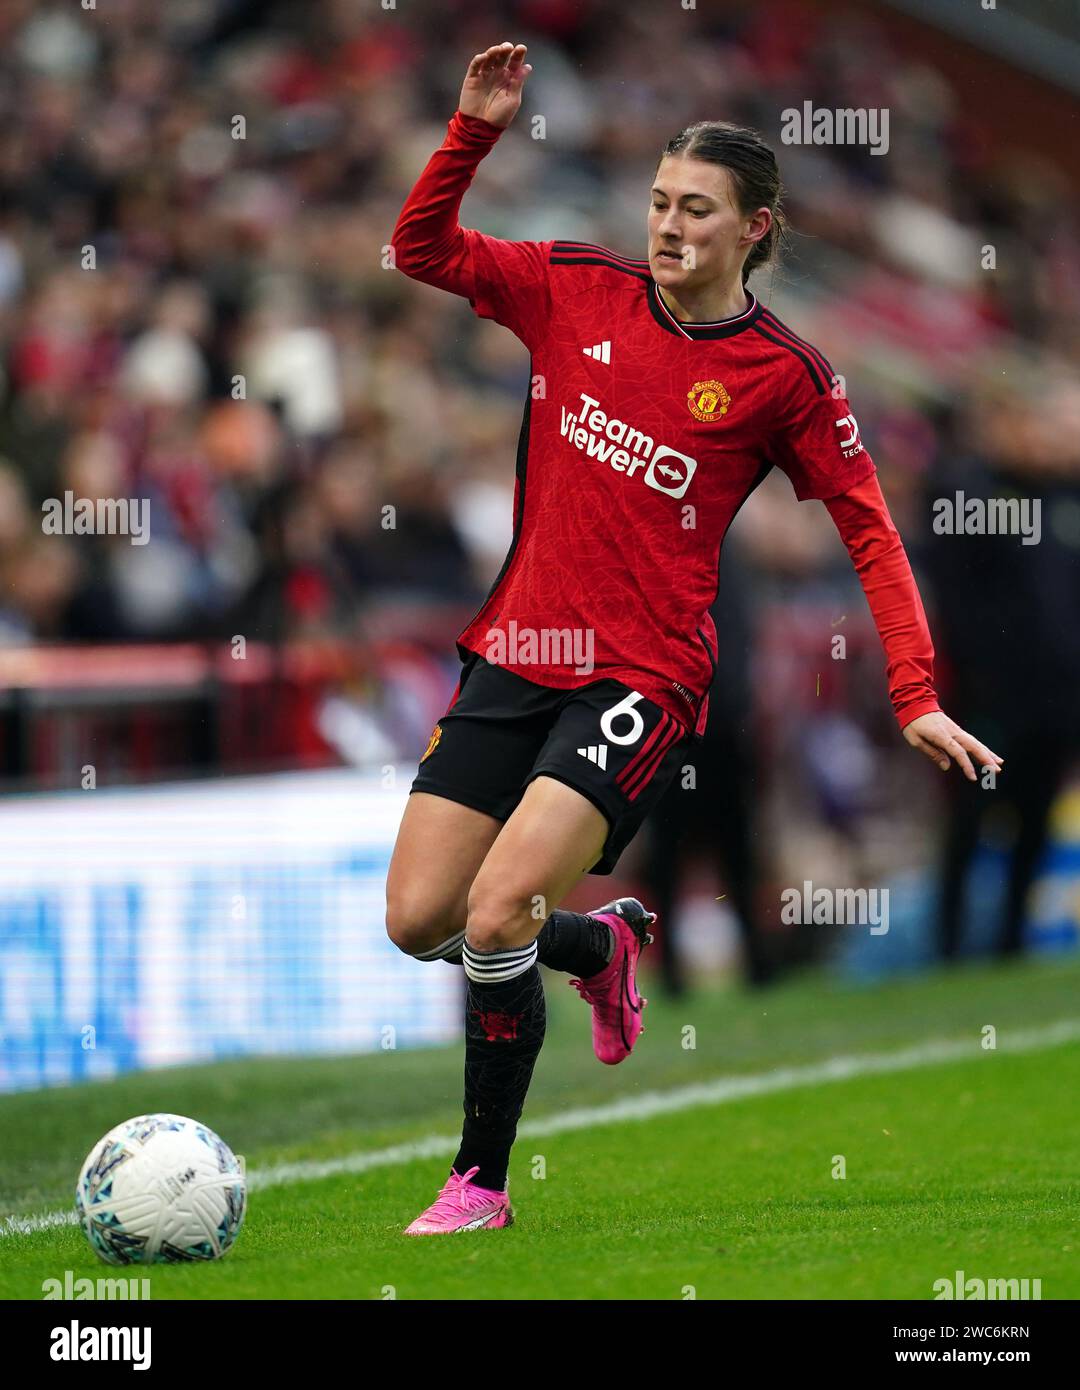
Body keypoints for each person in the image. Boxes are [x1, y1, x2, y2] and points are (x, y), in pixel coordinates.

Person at [384, 41, 1002, 1235]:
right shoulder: (574, 285)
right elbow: (420, 250)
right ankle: (600, 947)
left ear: (753, 230)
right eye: (661, 202)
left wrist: (914, 693)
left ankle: (480, 1182)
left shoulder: (785, 378)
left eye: (696, 210)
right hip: (515, 651)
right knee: (422, 921)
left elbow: (873, 535)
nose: (668, 225)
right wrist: (472, 132)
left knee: (496, 909)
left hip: (641, 677)